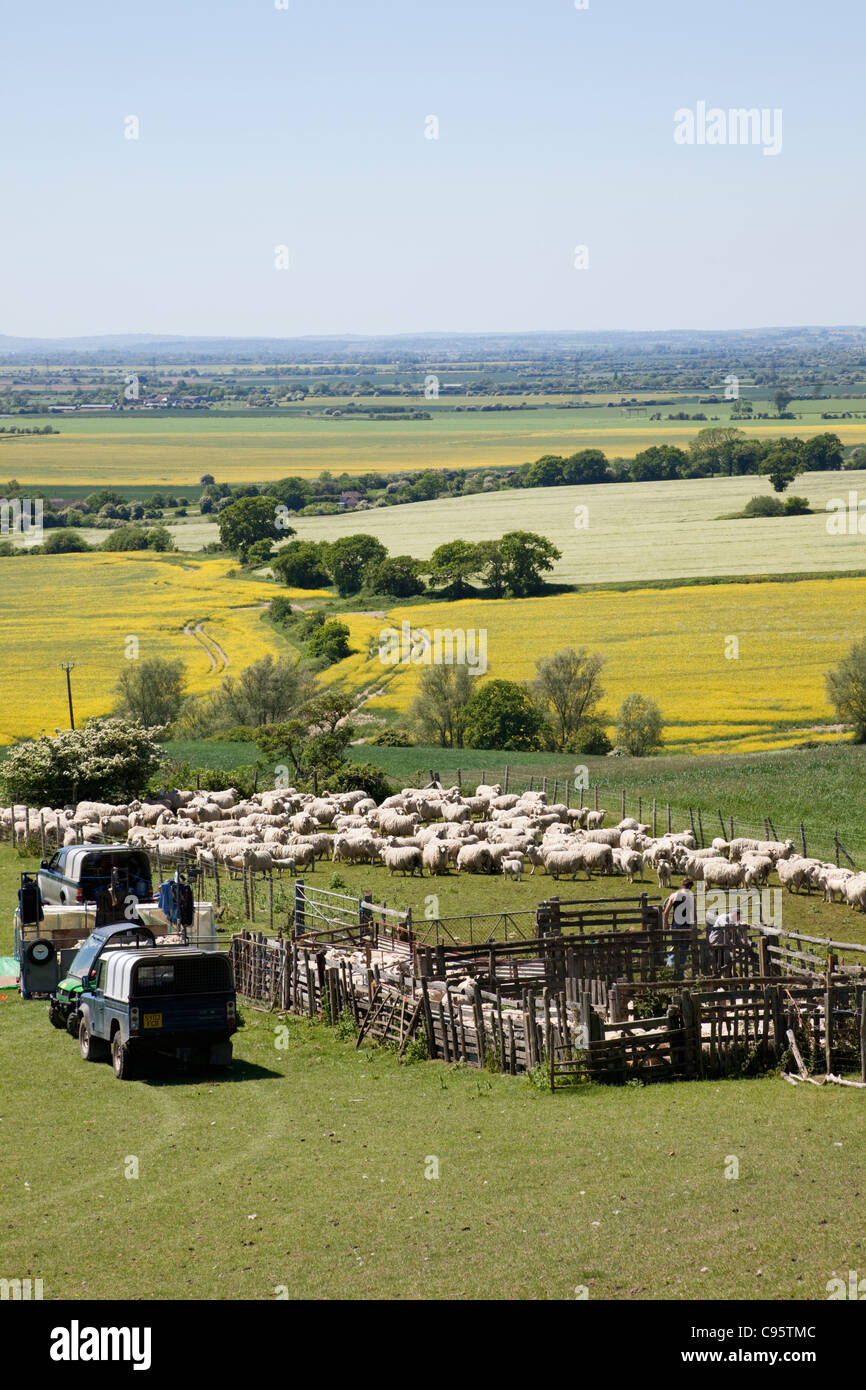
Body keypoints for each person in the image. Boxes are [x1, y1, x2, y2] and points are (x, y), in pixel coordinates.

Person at [663, 878, 696, 974]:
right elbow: (694, 914)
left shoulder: (673, 895)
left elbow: (666, 912)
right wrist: (694, 927)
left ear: (682, 885)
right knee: (684, 947)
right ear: (689, 887)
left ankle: (669, 969)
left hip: (675, 925)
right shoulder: (691, 896)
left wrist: (666, 923)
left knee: (674, 946)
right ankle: (680, 970)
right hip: (686, 926)